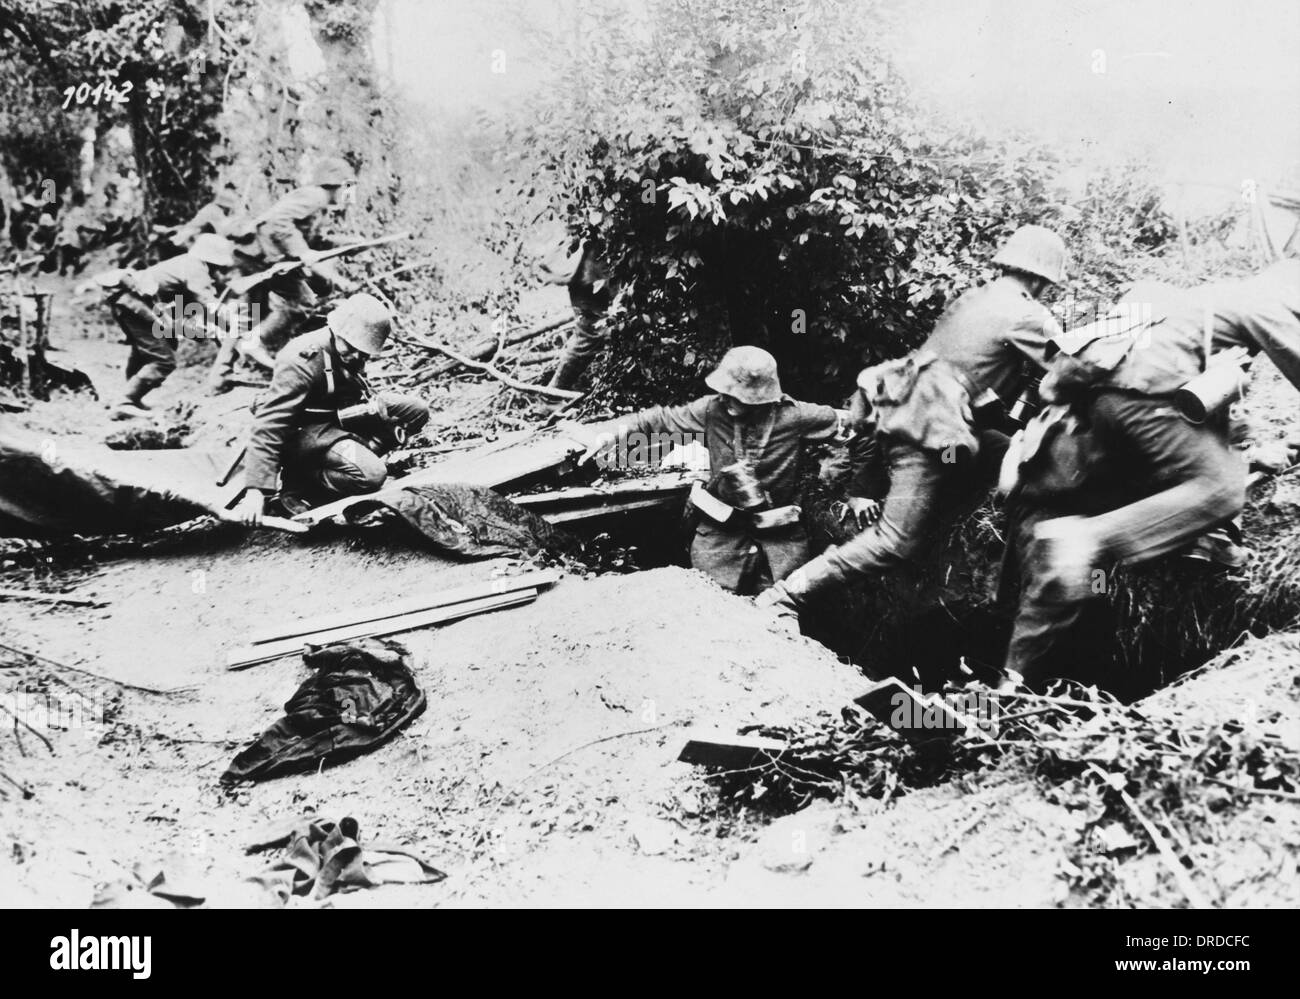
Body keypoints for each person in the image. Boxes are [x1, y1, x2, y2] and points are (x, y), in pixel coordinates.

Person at [1000, 258, 1300, 689]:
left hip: (1095, 480)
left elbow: (1176, 446)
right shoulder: (1262, 302)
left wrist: (1255, 455)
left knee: (1082, 584)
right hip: (1056, 490)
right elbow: (1169, 448)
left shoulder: (1145, 346)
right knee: (1059, 586)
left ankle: (1020, 686)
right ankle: (1012, 687)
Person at [755, 224, 1068, 624]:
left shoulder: (974, 300)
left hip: (921, 419)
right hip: (929, 432)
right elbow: (1074, 370)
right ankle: (788, 593)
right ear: (1044, 277)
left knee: (1010, 455)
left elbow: (964, 379)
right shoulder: (1027, 313)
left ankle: (990, 582)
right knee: (894, 542)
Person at [575, 346, 852, 594]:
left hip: (779, 541)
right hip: (721, 536)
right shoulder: (712, 410)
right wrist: (611, 433)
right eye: (724, 390)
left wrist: (862, 490)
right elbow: (661, 420)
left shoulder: (796, 416)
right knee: (710, 602)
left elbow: (860, 426)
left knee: (780, 611)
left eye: (736, 394)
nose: (725, 398)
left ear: (760, 395)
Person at [231, 293, 429, 521]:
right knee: (372, 475)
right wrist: (255, 490)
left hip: (341, 416)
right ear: (335, 331)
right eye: (352, 347)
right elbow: (268, 424)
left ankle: (352, 461)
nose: (356, 355)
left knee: (415, 411)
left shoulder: (350, 352)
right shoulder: (300, 360)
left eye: (363, 352)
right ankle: (302, 485)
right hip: (306, 432)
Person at [237, 157, 359, 369]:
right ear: (335, 184)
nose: (346, 194)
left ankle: (247, 358)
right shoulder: (314, 196)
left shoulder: (322, 206)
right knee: (301, 302)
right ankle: (253, 345)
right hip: (263, 254)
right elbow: (278, 221)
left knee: (263, 311)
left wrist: (352, 244)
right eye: (345, 187)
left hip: (268, 255)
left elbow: (317, 240)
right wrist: (301, 252)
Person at [103, 233, 236, 419]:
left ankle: (130, 398)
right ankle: (123, 402)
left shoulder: (185, 263)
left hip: (129, 304)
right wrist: (234, 323)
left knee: (142, 353)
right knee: (163, 361)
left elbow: (195, 309)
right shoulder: (196, 269)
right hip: (136, 306)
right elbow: (207, 303)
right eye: (219, 266)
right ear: (212, 260)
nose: (219, 272)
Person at [535, 236, 615, 391]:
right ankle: (552, 396)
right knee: (590, 334)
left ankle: (556, 393)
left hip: (594, 271)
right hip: (590, 275)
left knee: (594, 334)